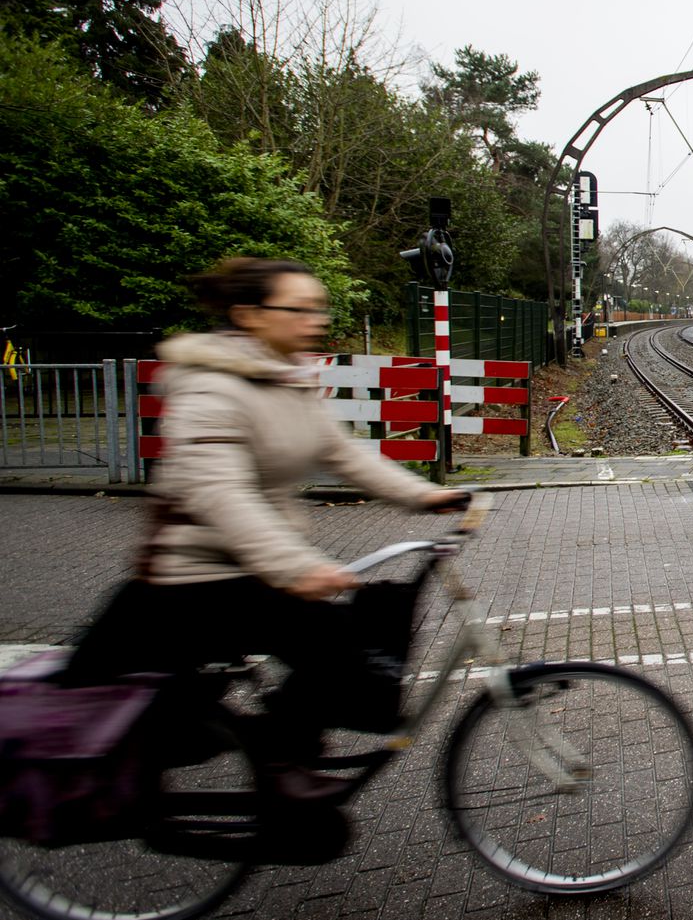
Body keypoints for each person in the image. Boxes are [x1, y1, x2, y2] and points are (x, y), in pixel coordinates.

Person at [64, 258, 466, 799]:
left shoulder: (287, 377)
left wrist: (425, 495)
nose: (315, 320)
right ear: (248, 315)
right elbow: (220, 494)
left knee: (357, 638)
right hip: (198, 575)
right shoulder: (211, 388)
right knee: (337, 643)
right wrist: (295, 568)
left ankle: (281, 745)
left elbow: (342, 453)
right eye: (298, 309)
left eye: (318, 308)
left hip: (251, 566)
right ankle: (279, 760)